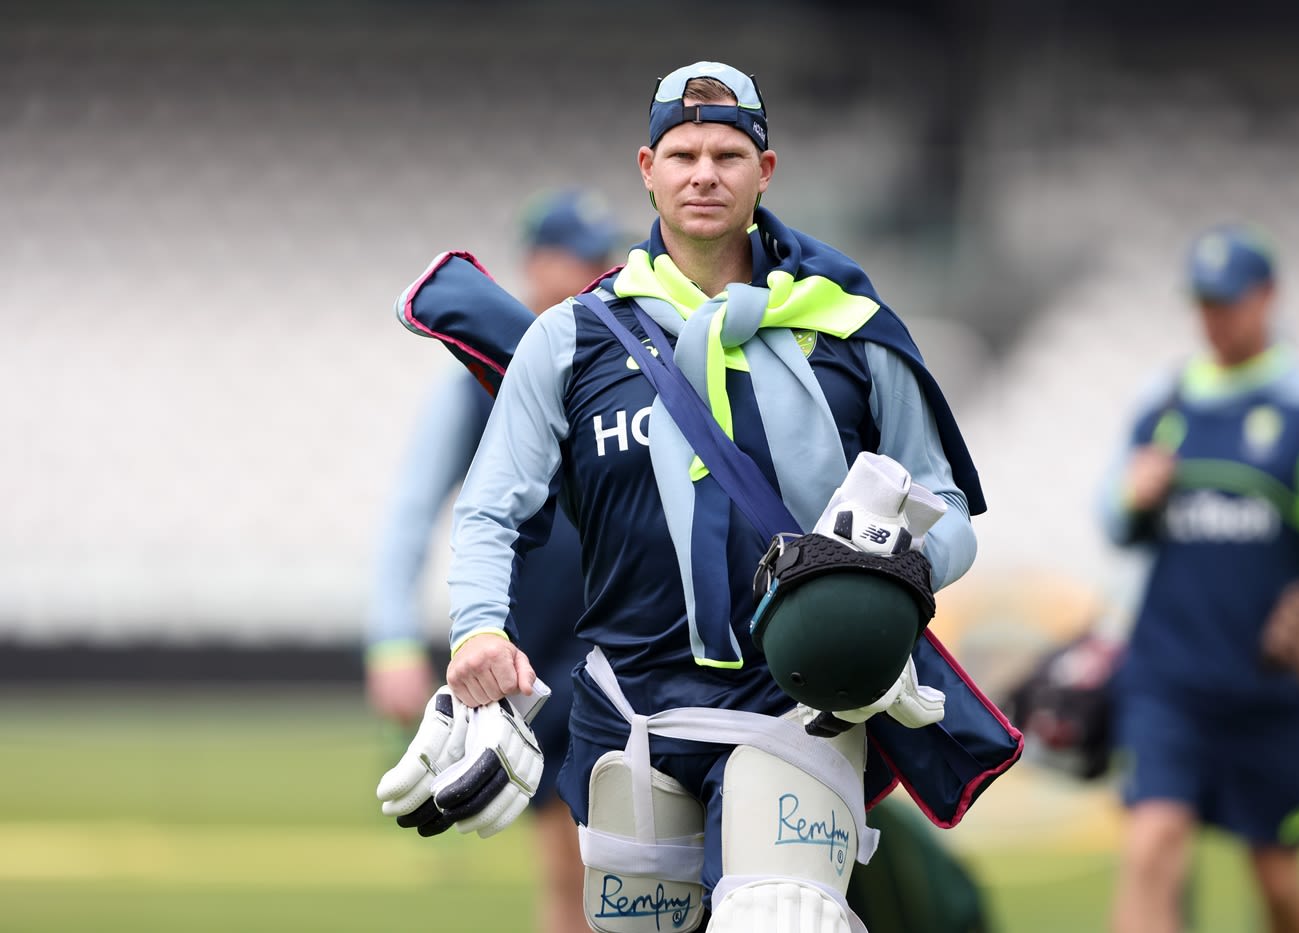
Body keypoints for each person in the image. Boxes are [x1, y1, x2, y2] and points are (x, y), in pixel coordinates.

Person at [377, 61, 1017, 933]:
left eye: (727, 154)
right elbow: (491, 508)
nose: (704, 174)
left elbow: (946, 506)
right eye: (683, 155)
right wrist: (479, 631)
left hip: (798, 706)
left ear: (765, 170)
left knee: (781, 918)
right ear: (649, 169)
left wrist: (893, 568)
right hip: (630, 713)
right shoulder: (570, 339)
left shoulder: (854, 331)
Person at [1101, 224, 1299, 933]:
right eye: (1203, 302)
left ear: (1267, 297)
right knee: (1151, 844)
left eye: (1227, 301)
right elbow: (1111, 515)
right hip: (1170, 673)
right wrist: (1132, 494)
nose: (1213, 318)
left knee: (1277, 876)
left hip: (1272, 683)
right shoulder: (1164, 401)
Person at [364, 188, 619, 933]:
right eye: (576, 257)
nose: (593, 272)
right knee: (578, 881)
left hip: (623, 642)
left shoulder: (624, 371)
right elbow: (410, 514)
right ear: (535, 265)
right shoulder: (472, 391)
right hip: (540, 659)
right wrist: (392, 640)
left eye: (602, 258)